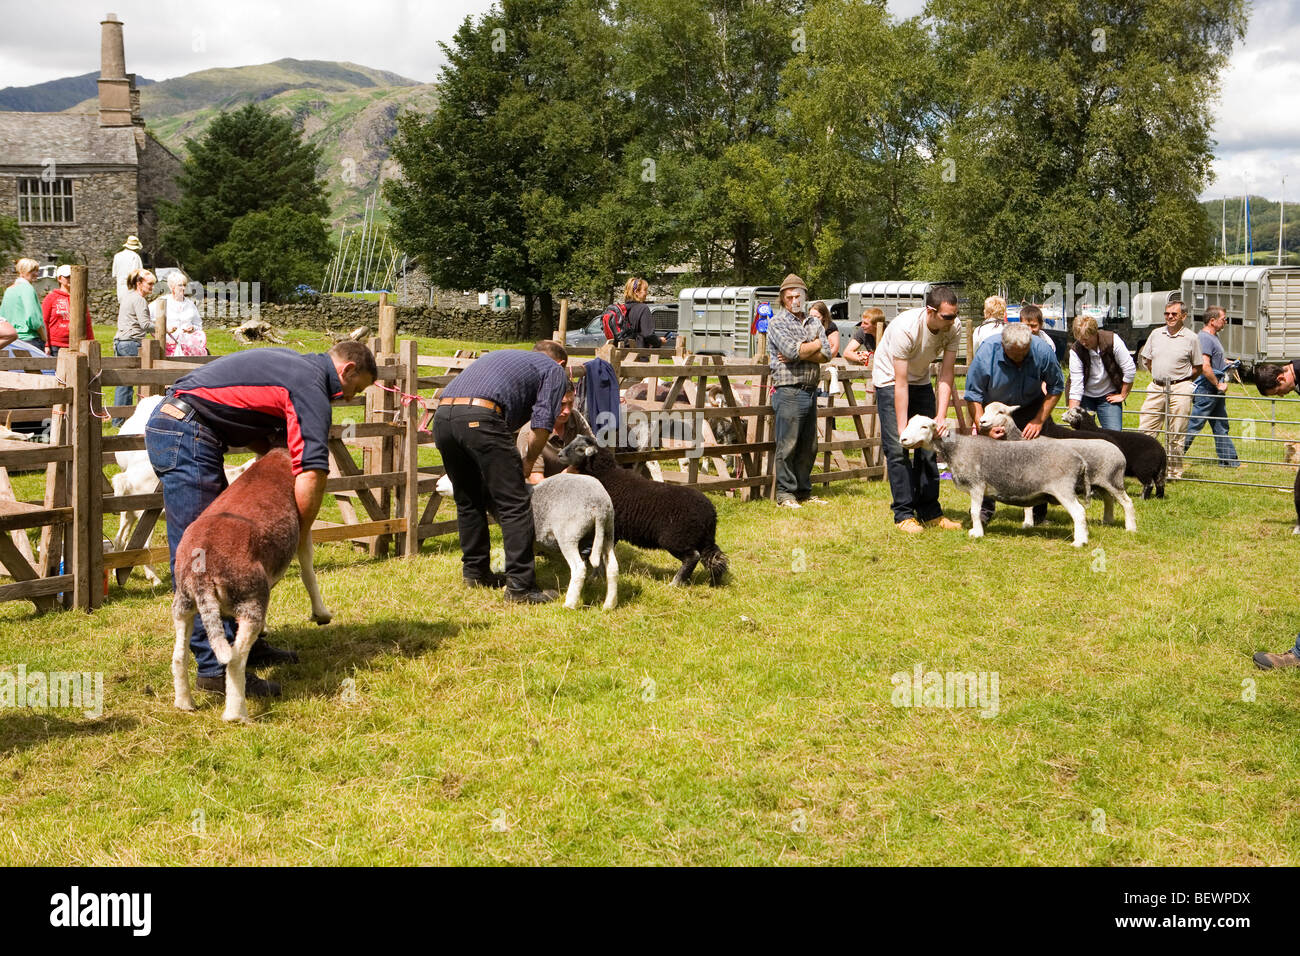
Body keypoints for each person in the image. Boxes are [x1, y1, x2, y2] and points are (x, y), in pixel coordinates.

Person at [145, 341, 377, 699]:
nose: (349, 398)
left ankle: (247, 643)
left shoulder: (298, 367)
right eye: (356, 388)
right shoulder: (311, 386)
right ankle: (213, 668)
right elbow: (312, 468)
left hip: (183, 424)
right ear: (346, 370)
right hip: (185, 431)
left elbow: (253, 422)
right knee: (203, 554)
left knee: (225, 547)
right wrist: (297, 530)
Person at [434, 341, 570, 603]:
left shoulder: (508, 358)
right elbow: (542, 426)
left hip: (442, 417)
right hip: (481, 416)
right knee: (514, 503)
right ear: (562, 364)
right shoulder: (554, 372)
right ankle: (520, 588)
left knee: (469, 499)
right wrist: (528, 461)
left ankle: (475, 573)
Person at [873, 286, 963, 533]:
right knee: (898, 448)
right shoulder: (906, 328)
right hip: (890, 380)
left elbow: (946, 374)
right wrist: (903, 428)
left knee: (929, 446)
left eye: (955, 315)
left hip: (921, 380)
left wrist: (940, 417)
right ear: (930, 311)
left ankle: (930, 512)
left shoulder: (954, 328)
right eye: (947, 316)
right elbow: (900, 382)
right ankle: (903, 515)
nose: (952, 321)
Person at [965, 321, 1066, 524]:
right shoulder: (987, 352)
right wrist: (982, 427)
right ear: (1004, 346)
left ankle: (1037, 514)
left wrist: (1039, 420)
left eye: (1024, 354)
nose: (1020, 359)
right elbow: (973, 394)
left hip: (1030, 408)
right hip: (994, 410)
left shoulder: (1042, 351)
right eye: (1014, 354)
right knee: (988, 460)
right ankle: (984, 511)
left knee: (1037, 460)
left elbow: (1057, 386)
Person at [766, 274, 831, 509]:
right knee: (788, 444)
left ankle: (803, 491)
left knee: (809, 444)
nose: (795, 299)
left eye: (798, 295)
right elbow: (791, 352)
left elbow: (828, 353)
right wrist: (811, 347)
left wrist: (805, 349)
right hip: (789, 389)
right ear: (783, 299)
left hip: (811, 388)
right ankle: (785, 494)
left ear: (804, 297)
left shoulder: (813, 322)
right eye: (790, 296)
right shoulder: (777, 323)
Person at [1137, 300, 1200, 480]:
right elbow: (1147, 360)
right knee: (1146, 430)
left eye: (1174, 314)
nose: (1170, 317)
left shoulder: (1191, 338)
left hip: (1181, 387)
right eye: (1167, 314)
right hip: (1156, 386)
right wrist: (1160, 376)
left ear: (1183, 316)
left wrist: (1182, 382)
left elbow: (1198, 366)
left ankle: (1172, 473)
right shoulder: (1156, 334)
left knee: (1176, 431)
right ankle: (1144, 467)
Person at [1181, 306, 1238, 468]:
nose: (1225, 321)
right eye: (1223, 319)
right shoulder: (1205, 338)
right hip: (1207, 388)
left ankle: (1229, 461)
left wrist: (1226, 362)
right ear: (1212, 321)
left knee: (1221, 424)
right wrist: (1217, 384)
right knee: (1195, 424)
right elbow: (1205, 366)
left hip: (1214, 389)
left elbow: (1213, 360)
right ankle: (1172, 456)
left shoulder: (1214, 336)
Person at [1067, 313, 1135, 431]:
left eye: (1086, 339)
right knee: (1084, 436)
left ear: (1095, 333)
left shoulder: (1113, 340)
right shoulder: (1076, 350)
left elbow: (1129, 369)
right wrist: (1072, 413)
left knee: (1114, 434)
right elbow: (1076, 383)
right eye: (1080, 339)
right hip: (1085, 397)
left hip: (1108, 395)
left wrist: (1123, 394)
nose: (1083, 343)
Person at [515, 380, 592, 483]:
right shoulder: (530, 433)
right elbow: (536, 483)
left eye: (571, 403)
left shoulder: (575, 418)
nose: (567, 411)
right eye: (561, 404)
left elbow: (593, 447)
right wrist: (567, 474)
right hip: (543, 494)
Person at [112, 268, 156, 426]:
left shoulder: (128, 296)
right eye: (149, 284)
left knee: (123, 382)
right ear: (139, 283)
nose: (152, 287)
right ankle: (121, 420)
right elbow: (144, 324)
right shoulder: (139, 299)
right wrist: (162, 327)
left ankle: (118, 419)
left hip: (120, 341)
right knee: (129, 383)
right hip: (131, 342)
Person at [41, 264, 93, 358]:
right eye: (67, 277)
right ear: (60, 278)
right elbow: (44, 321)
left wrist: (90, 343)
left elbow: (87, 322)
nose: (70, 279)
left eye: (72, 277)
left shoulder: (80, 298)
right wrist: (46, 344)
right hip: (56, 345)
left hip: (77, 343)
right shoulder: (51, 298)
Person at [150, 270, 206, 356]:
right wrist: (165, 330)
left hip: (189, 350)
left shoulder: (190, 304)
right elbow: (148, 322)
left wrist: (192, 328)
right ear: (172, 287)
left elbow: (198, 325)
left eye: (184, 285)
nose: (183, 288)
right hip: (167, 348)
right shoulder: (161, 302)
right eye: (180, 285)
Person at [0, 258, 45, 351]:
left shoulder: (9, 290)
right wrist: (44, 337)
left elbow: (3, 317)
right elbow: (34, 320)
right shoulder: (28, 288)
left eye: (37, 271)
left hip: (12, 342)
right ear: (22, 271)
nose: (36, 274)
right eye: (32, 271)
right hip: (30, 339)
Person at [622, 277, 662, 349]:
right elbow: (648, 334)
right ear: (636, 292)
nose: (646, 293)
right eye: (645, 290)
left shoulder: (622, 309)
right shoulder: (643, 308)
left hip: (621, 352)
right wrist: (659, 341)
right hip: (638, 354)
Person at [112, 235, 143, 303]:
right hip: (132, 287)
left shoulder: (117, 256)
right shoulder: (135, 256)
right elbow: (140, 274)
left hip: (121, 288)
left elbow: (115, 274)